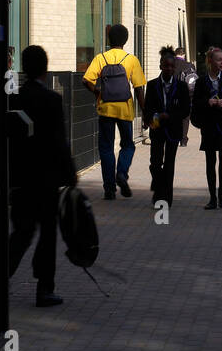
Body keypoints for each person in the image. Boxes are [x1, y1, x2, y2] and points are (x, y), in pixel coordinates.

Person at [8, 45, 77, 307]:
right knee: (48, 234)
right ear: (46, 69)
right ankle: (44, 288)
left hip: (22, 178)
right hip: (46, 179)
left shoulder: (14, 99)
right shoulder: (52, 100)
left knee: (22, 232)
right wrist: (69, 174)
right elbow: (59, 141)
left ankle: (1, 274)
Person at [82, 24, 146, 200]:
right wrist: (145, 113)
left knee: (106, 148)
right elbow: (139, 88)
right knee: (127, 145)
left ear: (109, 40)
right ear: (125, 40)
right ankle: (122, 174)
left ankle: (109, 189)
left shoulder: (101, 58)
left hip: (105, 109)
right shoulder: (131, 59)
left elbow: (86, 80)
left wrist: (98, 92)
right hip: (125, 110)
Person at [191, 47, 222, 209]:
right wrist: (208, 102)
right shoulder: (201, 81)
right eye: (218, 60)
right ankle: (212, 197)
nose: (221, 63)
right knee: (210, 161)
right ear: (210, 61)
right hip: (209, 125)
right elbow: (196, 102)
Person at [143, 48, 191, 208]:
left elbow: (185, 110)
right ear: (160, 66)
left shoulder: (182, 87)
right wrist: (153, 117)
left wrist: (170, 116)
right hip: (157, 129)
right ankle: (158, 187)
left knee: (169, 164)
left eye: (172, 66)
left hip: (173, 129)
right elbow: (147, 108)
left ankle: (164, 197)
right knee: (155, 163)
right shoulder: (151, 85)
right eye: (166, 66)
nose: (169, 69)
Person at [173, 46, 198, 147]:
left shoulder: (171, 64)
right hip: (187, 95)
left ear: (175, 54)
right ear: (184, 55)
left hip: (174, 95)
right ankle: (183, 140)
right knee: (185, 118)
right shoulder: (190, 65)